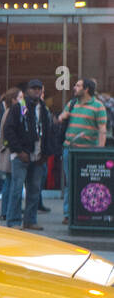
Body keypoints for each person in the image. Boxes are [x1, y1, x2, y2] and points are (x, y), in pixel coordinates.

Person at [2, 79, 54, 229]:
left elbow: (48, 132)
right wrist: (18, 151)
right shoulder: (19, 107)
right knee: (17, 189)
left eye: (39, 89)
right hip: (22, 155)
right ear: (26, 91)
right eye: (34, 88)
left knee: (34, 190)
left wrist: (46, 153)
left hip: (38, 155)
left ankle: (30, 220)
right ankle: (14, 221)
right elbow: (9, 131)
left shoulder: (44, 109)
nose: (37, 91)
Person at [57, 77, 109, 224]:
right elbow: (60, 118)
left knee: (86, 182)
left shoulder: (98, 106)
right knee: (69, 182)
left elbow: (102, 130)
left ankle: (84, 212)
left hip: (86, 151)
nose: (74, 87)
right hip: (69, 149)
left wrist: (100, 150)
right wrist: (62, 117)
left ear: (86, 89)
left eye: (78, 85)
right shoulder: (72, 103)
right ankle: (68, 214)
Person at [0, 87, 21, 220]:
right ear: (14, 100)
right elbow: (6, 134)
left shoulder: (9, 112)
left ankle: (6, 210)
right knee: (10, 182)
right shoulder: (10, 112)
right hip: (9, 152)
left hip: (6, 151)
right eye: (20, 98)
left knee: (9, 182)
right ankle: (6, 211)